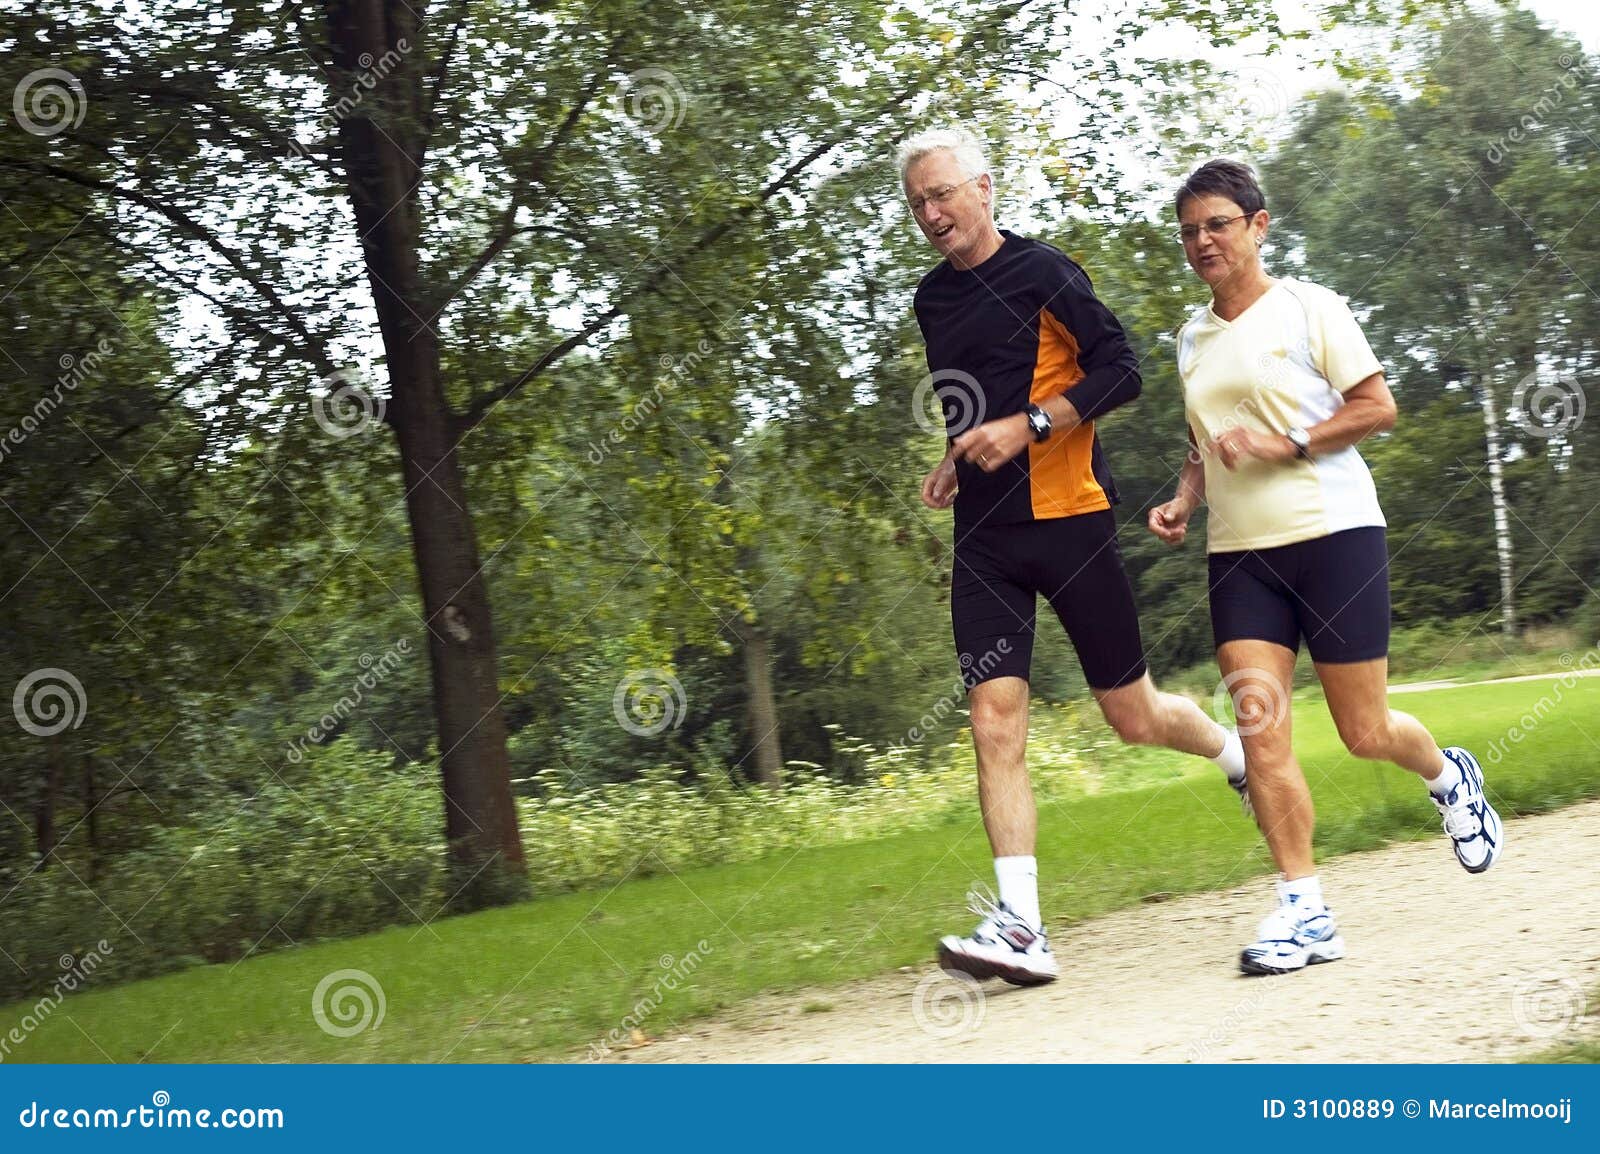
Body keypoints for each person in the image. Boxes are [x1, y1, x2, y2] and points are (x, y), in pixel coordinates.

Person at [899, 127, 1248, 987]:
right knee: (993, 720)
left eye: (942, 194)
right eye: (917, 203)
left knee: (1131, 716)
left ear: (984, 188)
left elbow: (1121, 370)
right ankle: (1022, 927)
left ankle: (1233, 754)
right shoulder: (930, 300)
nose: (931, 213)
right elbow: (972, 399)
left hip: (1070, 521)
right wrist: (955, 456)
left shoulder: (1045, 273)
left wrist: (1030, 425)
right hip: (984, 538)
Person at [1149, 159, 1504, 976]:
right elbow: (1204, 439)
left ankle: (1449, 775)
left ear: (1258, 225)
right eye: (1190, 231)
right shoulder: (1193, 337)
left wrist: (1288, 443)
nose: (1202, 241)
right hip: (1240, 556)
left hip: (1334, 536)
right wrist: (1185, 498)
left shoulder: (1311, 308)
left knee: (1364, 731)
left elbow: (1377, 407)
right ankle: (1305, 911)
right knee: (1260, 730)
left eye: (1217, 224)